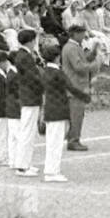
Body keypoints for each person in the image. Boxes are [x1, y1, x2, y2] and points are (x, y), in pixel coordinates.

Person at [40, 39, 88, 183]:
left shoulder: (44, 71)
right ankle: (52, 171)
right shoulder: (58, 73)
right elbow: (71, 88)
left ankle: (50, 170)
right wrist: (85, 96)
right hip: (59, 108)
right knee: (55, 143)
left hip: (49, 108)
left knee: (51, 142)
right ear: (57, 57)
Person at [61, 24, 100, 152]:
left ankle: (72, 138)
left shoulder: (74, 46)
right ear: (76, 34)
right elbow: (78, 67)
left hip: (76, 85)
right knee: (76, 115)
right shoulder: (72, 48)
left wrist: (93, 54)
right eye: (82, 33)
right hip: (75, 86)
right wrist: (93, 66)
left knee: (76, 114)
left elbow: (81, 61)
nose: (84, 36)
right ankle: (73, 140)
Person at [11, 29, 44, 177]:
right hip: (29, 96)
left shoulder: (25, 55)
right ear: (31, 41)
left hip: (29, 96)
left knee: (28, 131)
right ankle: (22, 166)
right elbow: (33, 77)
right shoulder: (25, 57)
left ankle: (26, 163)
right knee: (27, 132)